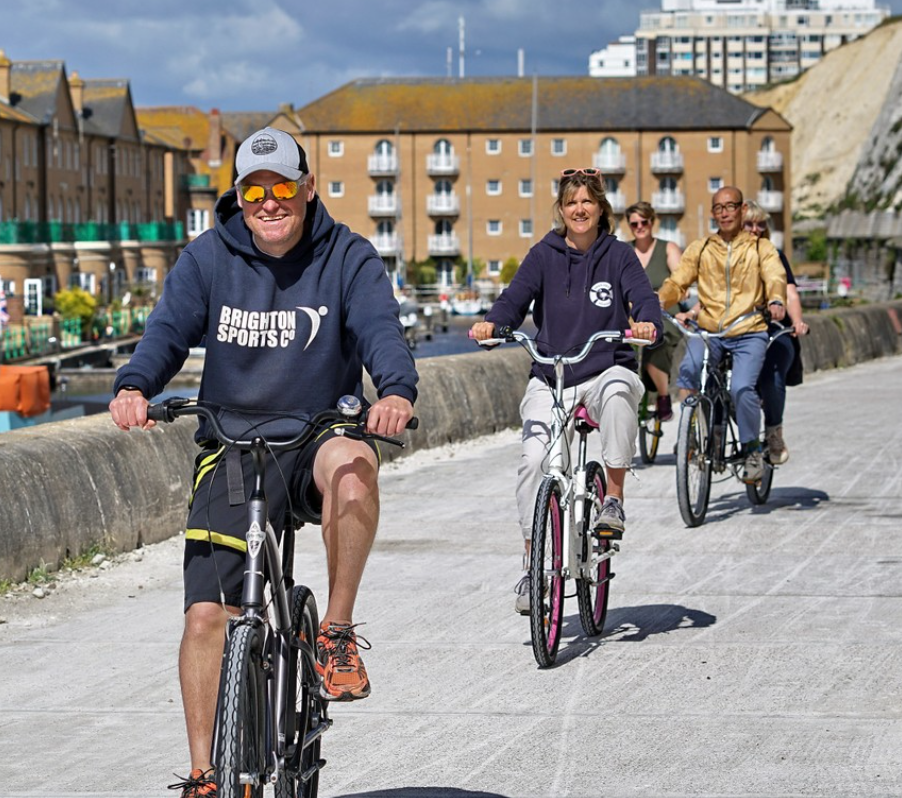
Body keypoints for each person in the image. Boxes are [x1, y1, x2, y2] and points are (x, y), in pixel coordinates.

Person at [108, 127, 418, 797]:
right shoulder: (209, 257)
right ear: (239, 196)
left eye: (283, 188)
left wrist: (393, 390)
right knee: (205, 618)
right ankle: (204, 774)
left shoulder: (348, 257)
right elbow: (168, 329)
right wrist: (135, 383)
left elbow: (378, 329)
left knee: (354, 464)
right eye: (255, 191)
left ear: (307, 188)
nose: (270, 203)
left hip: (314, 434)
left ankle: (334, 632)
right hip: (233, 442)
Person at [471, 167, 662, 615]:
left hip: (603, 367)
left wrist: (645, 321)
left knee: (620, 393)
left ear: (600, 209)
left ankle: (612, 499)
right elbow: (513, 300)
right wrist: (492, 323)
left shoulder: (618, 256)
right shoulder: (544, 254)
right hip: (551, 374)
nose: (579, 209)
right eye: (571, 202)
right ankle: (532, 564)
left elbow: (643, 297)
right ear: (561, 209)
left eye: (587, 202)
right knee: (534, 462)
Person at [657, 187, 787, 484]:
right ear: (713, 213)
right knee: (689, 369)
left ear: (742, 210)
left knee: (742, 388)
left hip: (749, 330)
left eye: (731, 206)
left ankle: (752, 449)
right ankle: (696, 434)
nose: (725, 212)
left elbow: (775, 276)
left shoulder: (759, 248)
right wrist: (658, 300)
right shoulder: (701, 248)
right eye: (719, 208)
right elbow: (678, 282)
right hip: (710, 331)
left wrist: (776, 300)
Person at [744, 200, 809, 464]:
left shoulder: (774, 254)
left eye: (761, 224)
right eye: (749, 223)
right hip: (735, 327)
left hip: (773, 326)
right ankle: (709, 432)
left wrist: (797, 321)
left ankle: (773, 432)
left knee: (772, 375)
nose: (756, 229)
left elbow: (790, 291)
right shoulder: (723, 254)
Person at [624, 201, 684, 421]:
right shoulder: (624, 251)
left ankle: (663, 396)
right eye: (634, 224)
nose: (640, 227)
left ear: (652, 222)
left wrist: (659, 298)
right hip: (631, 313)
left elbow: (680, 283)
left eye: (644, 222)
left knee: (655, 343)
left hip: (664, 313)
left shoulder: (668, 248)